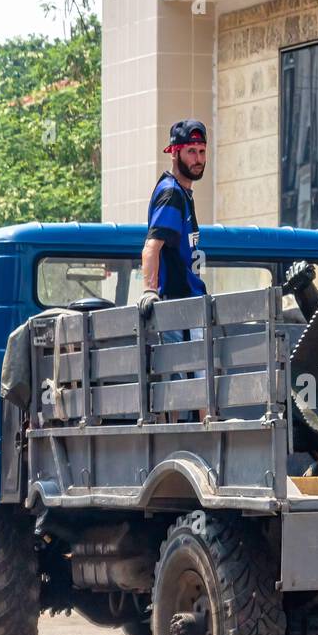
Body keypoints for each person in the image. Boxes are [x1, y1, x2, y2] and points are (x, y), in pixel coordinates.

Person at [140, 119, 208, 416]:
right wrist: (150, 292)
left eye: (203, 151)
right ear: (175, 153)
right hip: (178, 308)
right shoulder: (171, 194)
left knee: (198, 389)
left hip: (189, 308)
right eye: (191, 151)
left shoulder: (183, 194)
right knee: (189, 390)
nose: (198, 159)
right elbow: (151, 248)